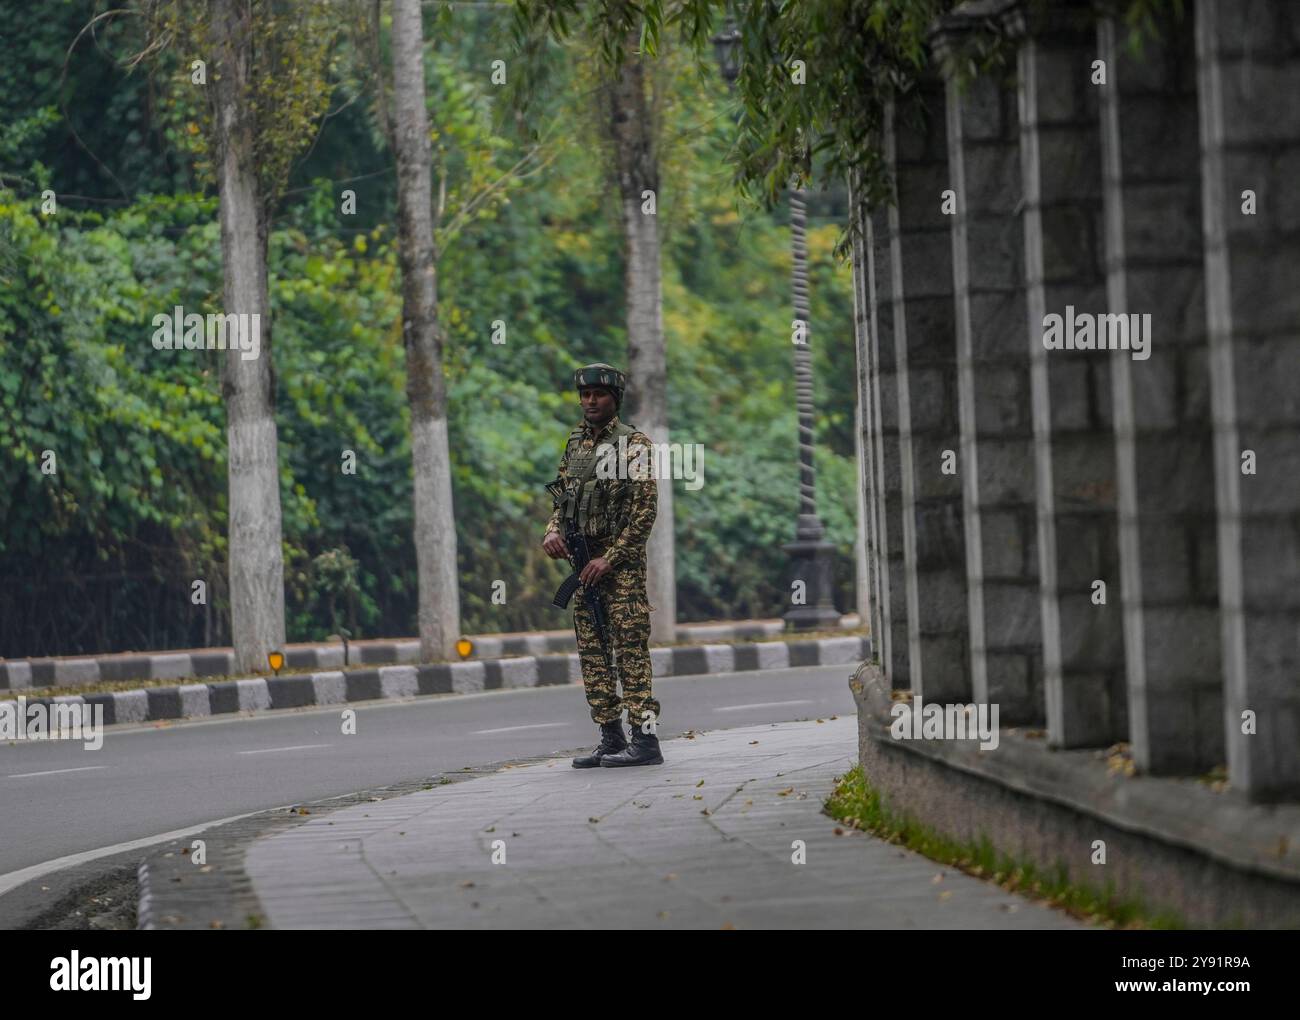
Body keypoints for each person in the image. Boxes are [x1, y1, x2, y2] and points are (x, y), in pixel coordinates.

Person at [542, 363, 663, 767]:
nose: (590, 401)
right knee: (592, 652)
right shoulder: (576, 443)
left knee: (629, 651)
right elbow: (561, 496)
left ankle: (645, 741)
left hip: (620, 565)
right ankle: (610, 736)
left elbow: (644, 514)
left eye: (599, 394)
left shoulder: (635, 445)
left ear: (615, 399)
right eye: (585, 394)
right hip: (582, 560)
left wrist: (609, 559)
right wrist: (552, 530)